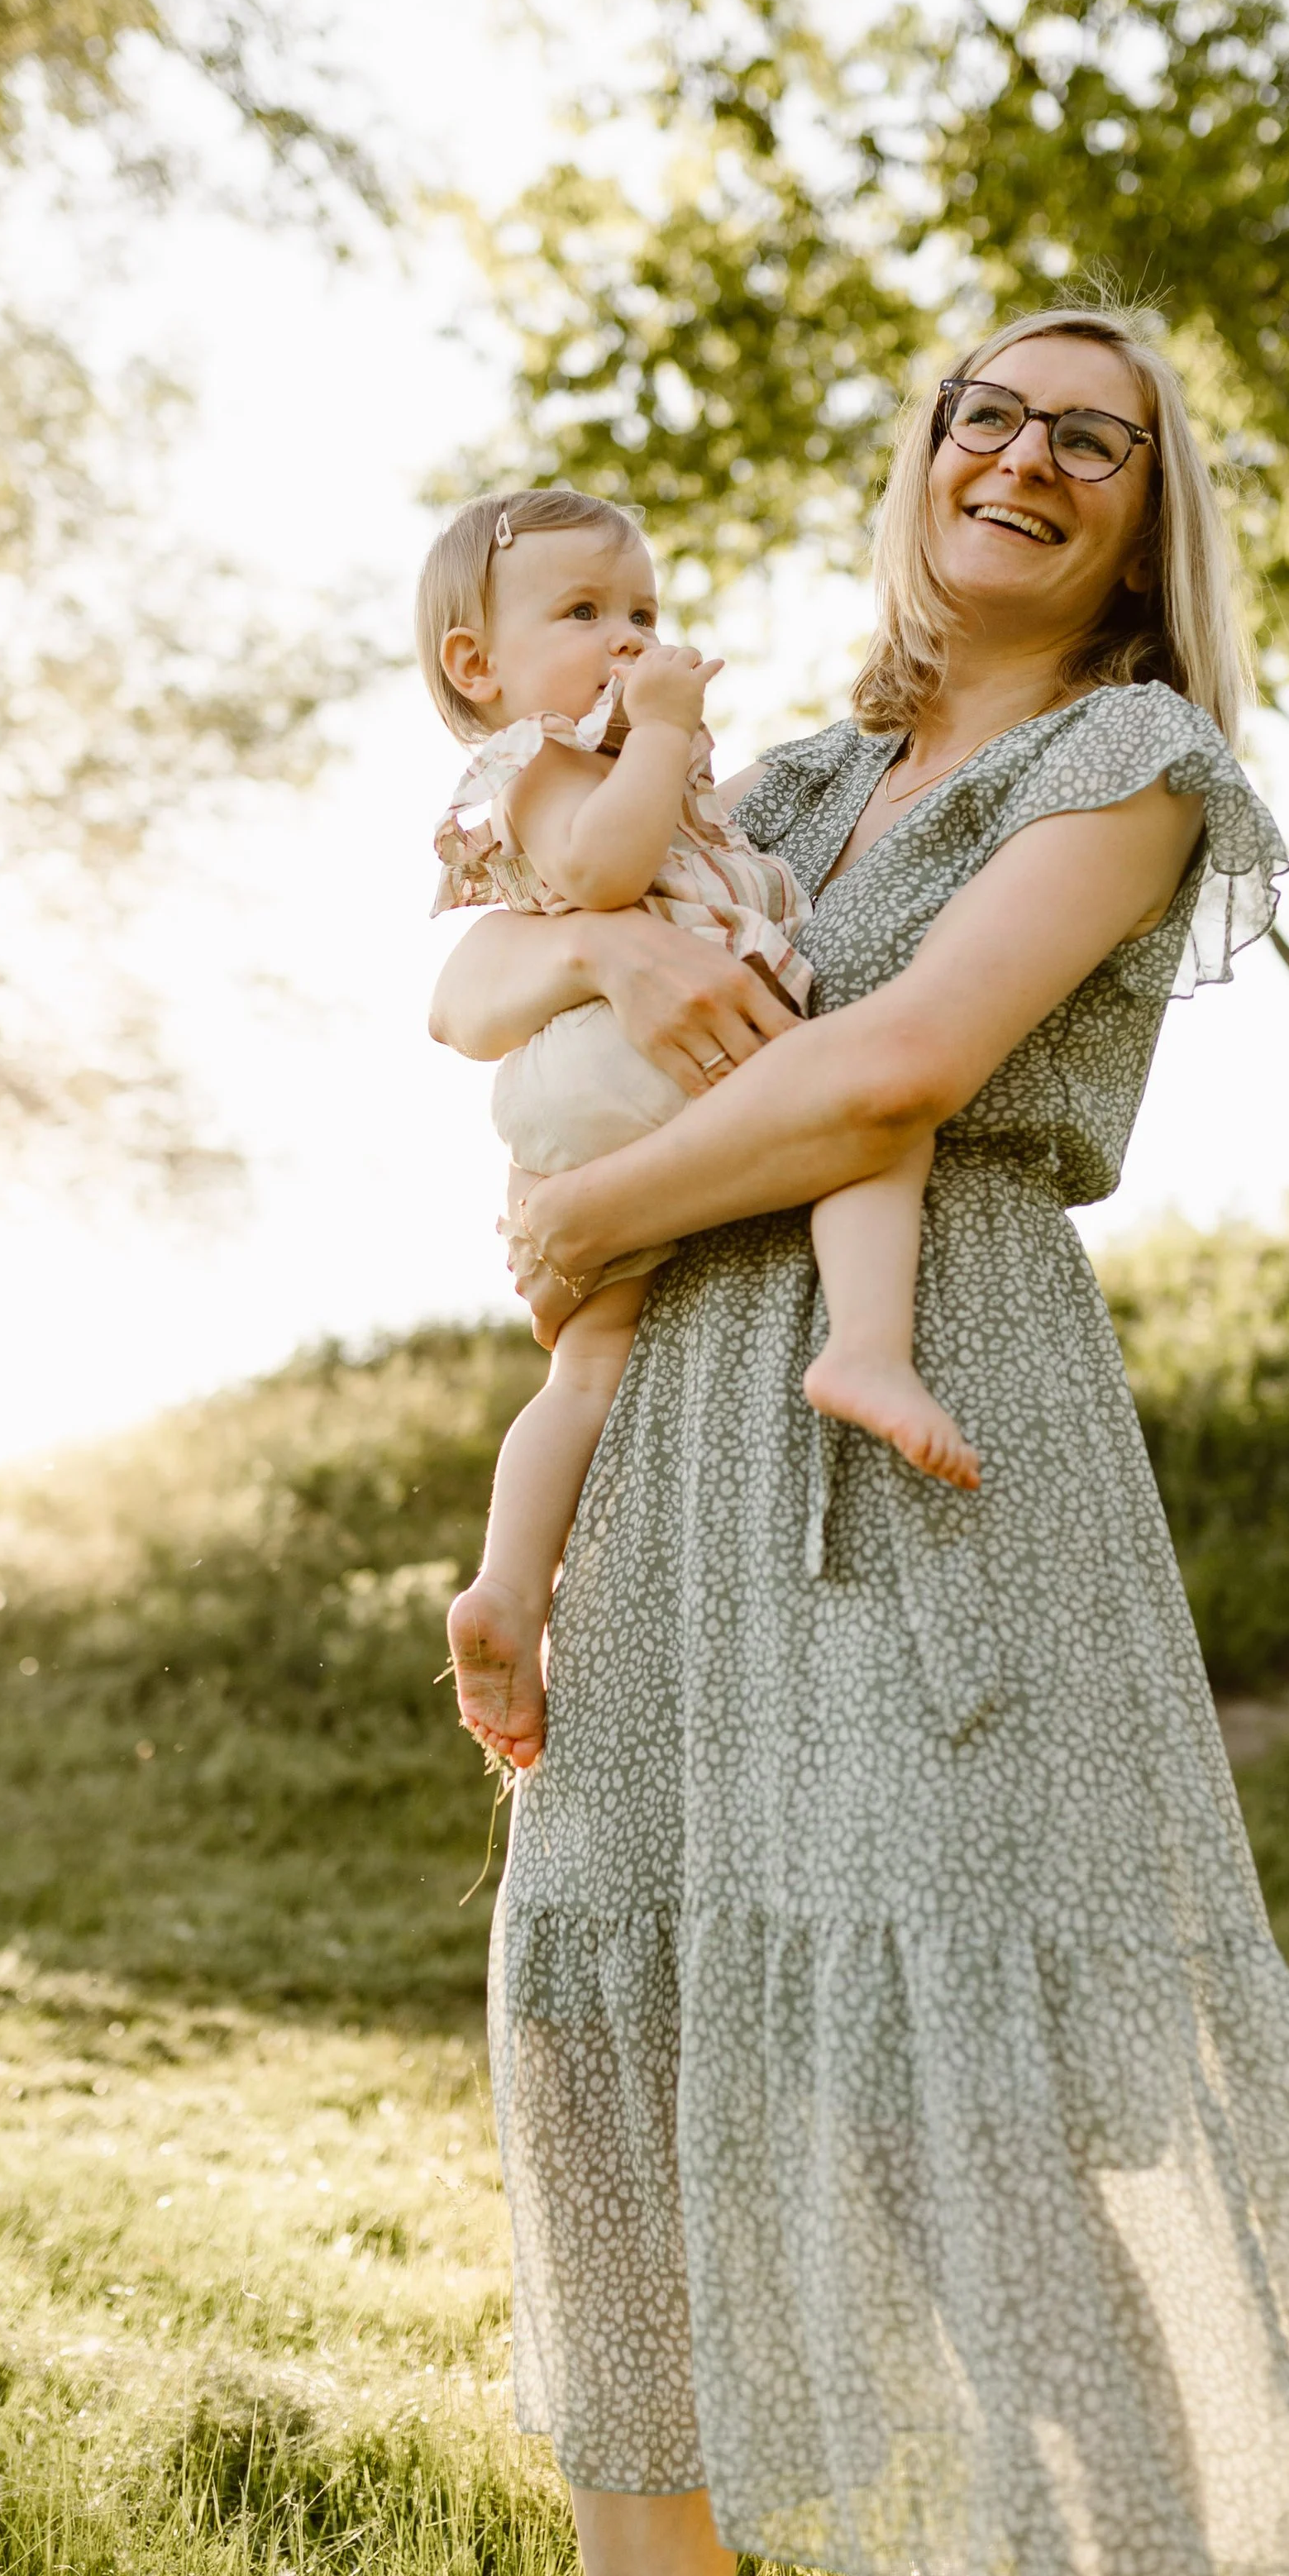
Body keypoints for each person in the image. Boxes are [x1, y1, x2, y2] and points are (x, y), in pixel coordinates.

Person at [430, 303, 1289, 2576]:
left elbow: (900, 1067)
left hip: (937, 1420)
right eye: (985, 413)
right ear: (923, 454)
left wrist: (592, 1203)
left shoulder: (1126, 763)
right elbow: (494, 954)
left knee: (1006, 2148)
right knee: (623, 2090)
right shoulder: (783, 770)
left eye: (1090, 441)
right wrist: (594, 952)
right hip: (662, 1464)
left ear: (1141, 524)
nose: (1024, 456)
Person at [419, 489, 980, 1763]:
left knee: (586, 1371)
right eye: (582, 612)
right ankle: (869, 1345)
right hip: (637, 1059)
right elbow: (602, 874)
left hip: (593, 1093)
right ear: (477, 665)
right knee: (878, 1116)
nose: (626, 637)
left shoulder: (641, 776)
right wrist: (667, 727)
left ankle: (509, 1585)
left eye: (642, 611)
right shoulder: (545, 762)